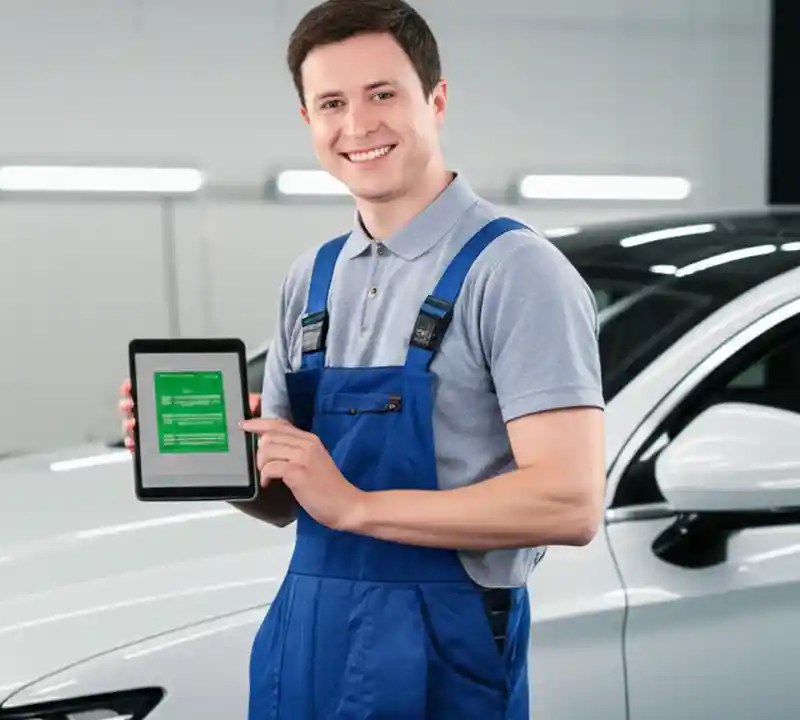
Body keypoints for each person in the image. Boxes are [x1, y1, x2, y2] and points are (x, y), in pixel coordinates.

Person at [118, 0, 605, 717]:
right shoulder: (311, 279)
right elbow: (289, 506)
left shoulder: (516, 270)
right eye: (332, 103)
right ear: (308, 122)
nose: (359, 125)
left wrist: (357, 505)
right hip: (308, 634)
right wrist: (215, 460)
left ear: (436, 100)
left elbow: (570, 502)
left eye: (383, 94)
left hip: (445, 646)